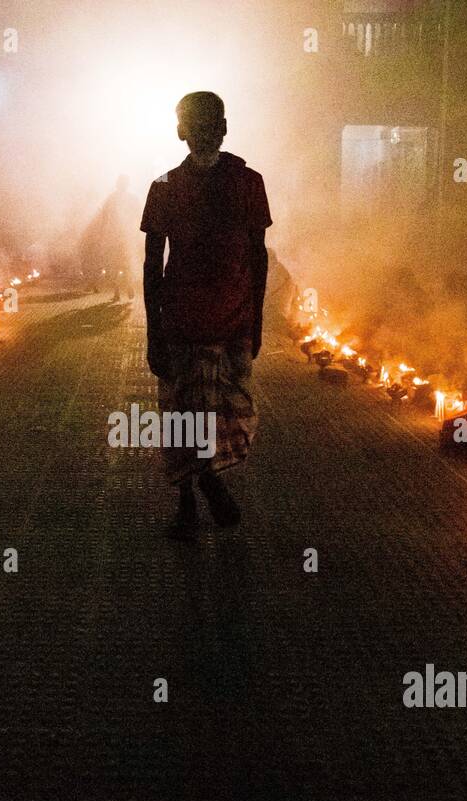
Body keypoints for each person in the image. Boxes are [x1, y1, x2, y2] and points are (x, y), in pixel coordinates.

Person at [141, 92, 272, 541]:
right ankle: (192, 501)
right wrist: (152, 333)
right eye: (194, 125)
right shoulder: (163, 188)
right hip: (179, 324)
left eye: (211, 124)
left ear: (225, 128)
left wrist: (256, 322)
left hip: (233, 322)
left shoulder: (248, 183)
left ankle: (209, 483)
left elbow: (259, 255)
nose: (203, 133)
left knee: (231, 418)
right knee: (180, 418)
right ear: (181, 132)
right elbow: (151, 264)